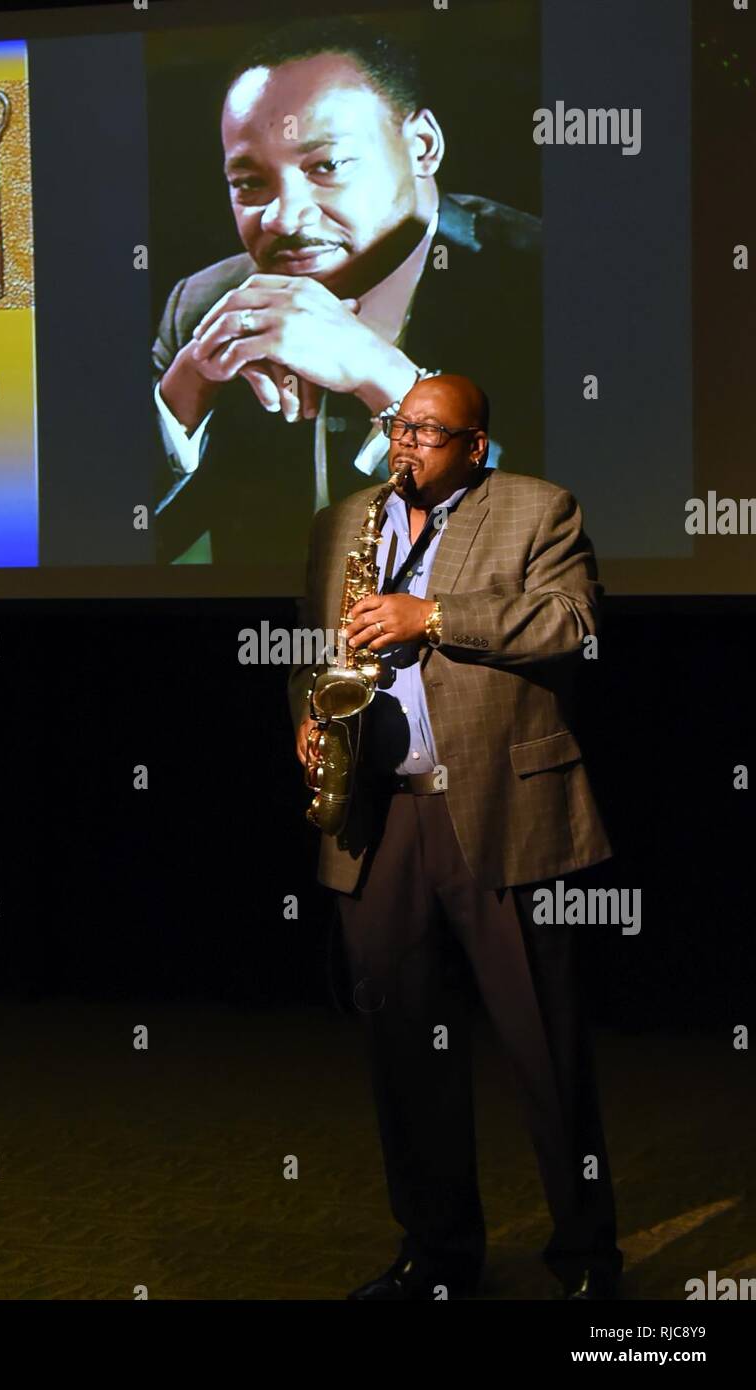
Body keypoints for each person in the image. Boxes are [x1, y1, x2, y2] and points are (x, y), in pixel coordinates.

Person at [288, 373, 623, 1301]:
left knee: (544, 1051)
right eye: (401, 427)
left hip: (501, 811)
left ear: (477, 446)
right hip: (379, 818)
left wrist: (431, 616)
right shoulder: (344, 523)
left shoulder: (538, 509)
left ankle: (588, 1261)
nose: (408, 445)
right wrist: (309, 719)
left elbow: (573, 621)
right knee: (403, 1054)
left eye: (431, 433)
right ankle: (435, 1252)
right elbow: (311, 654)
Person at [152, 17, 540, 569]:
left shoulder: (544, 283)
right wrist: (187, 391)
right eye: (249, 183)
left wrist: (388, 383)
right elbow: (105, 550)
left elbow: (551, 557)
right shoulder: (207, 303)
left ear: (423, 146)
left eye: (327, 166)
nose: (283, 216)